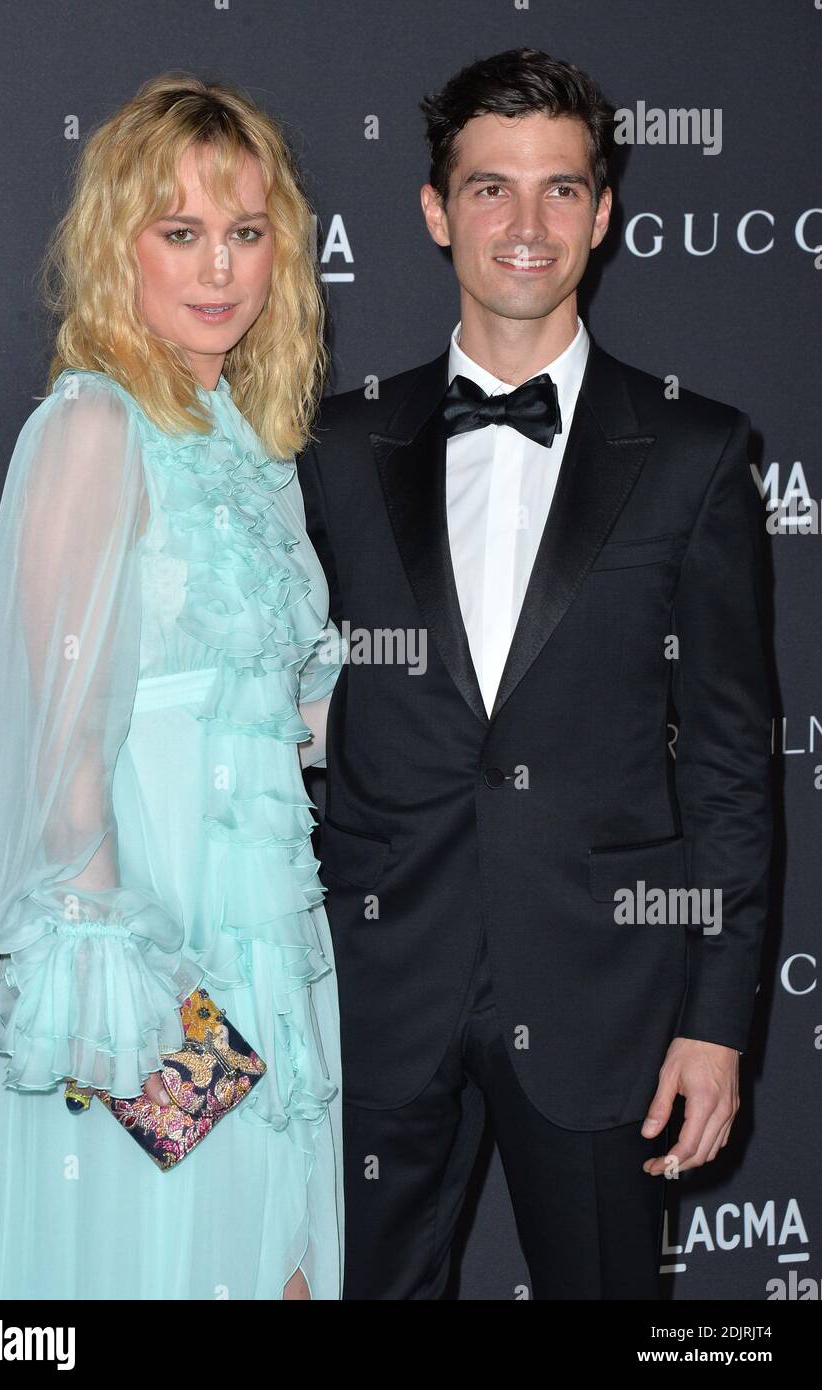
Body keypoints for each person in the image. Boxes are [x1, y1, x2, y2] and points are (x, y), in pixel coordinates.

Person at [296, 46, 774, 1299]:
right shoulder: (335, 446)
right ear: (434, 209)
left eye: (560, 189)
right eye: (490, 187)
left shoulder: (695, 450)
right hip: (377, 988)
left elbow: (728, 761)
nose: (525, 223)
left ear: (603, 213)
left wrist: (717, 1018)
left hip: (607, 999)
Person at [0, 71, 345, 1301]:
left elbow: (291, 718)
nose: (219, 268)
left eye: (245, 234)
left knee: (276, 1269)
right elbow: (61, 762)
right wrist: (133, 1016)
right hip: (147, 960)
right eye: (180, 233)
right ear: (116, 244)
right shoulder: (90, 427)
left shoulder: (256, 449)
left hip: (271, 946)